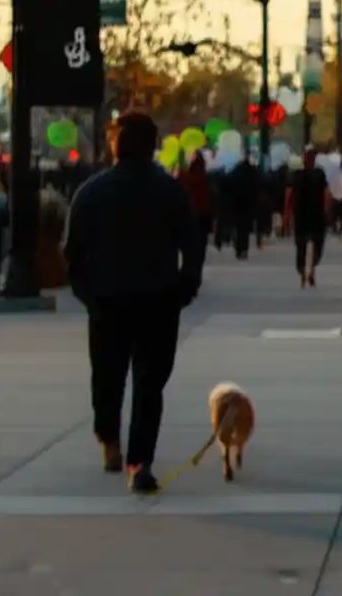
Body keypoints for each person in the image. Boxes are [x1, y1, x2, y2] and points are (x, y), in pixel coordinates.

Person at [64, 111, 204, 494]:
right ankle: (139, 463)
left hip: (107, 300)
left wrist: (87, 293)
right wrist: (184, 289)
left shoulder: (91, 192)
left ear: (116, 145)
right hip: (158, 299)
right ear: (152, 145)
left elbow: (72, 253)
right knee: (149, 384)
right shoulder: (171, 192)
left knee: (106, 376)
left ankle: (108, 436)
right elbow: (193, 246)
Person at [286, 148, 330, 288]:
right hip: (316, 214)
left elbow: (289, 194)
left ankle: (303, 270)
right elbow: (326, 193)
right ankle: (312, 268)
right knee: (317, 243)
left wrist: (287, 213)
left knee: (301, 245)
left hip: (301, 214)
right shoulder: (319, 174)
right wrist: (327, 210)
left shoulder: (297, 175)